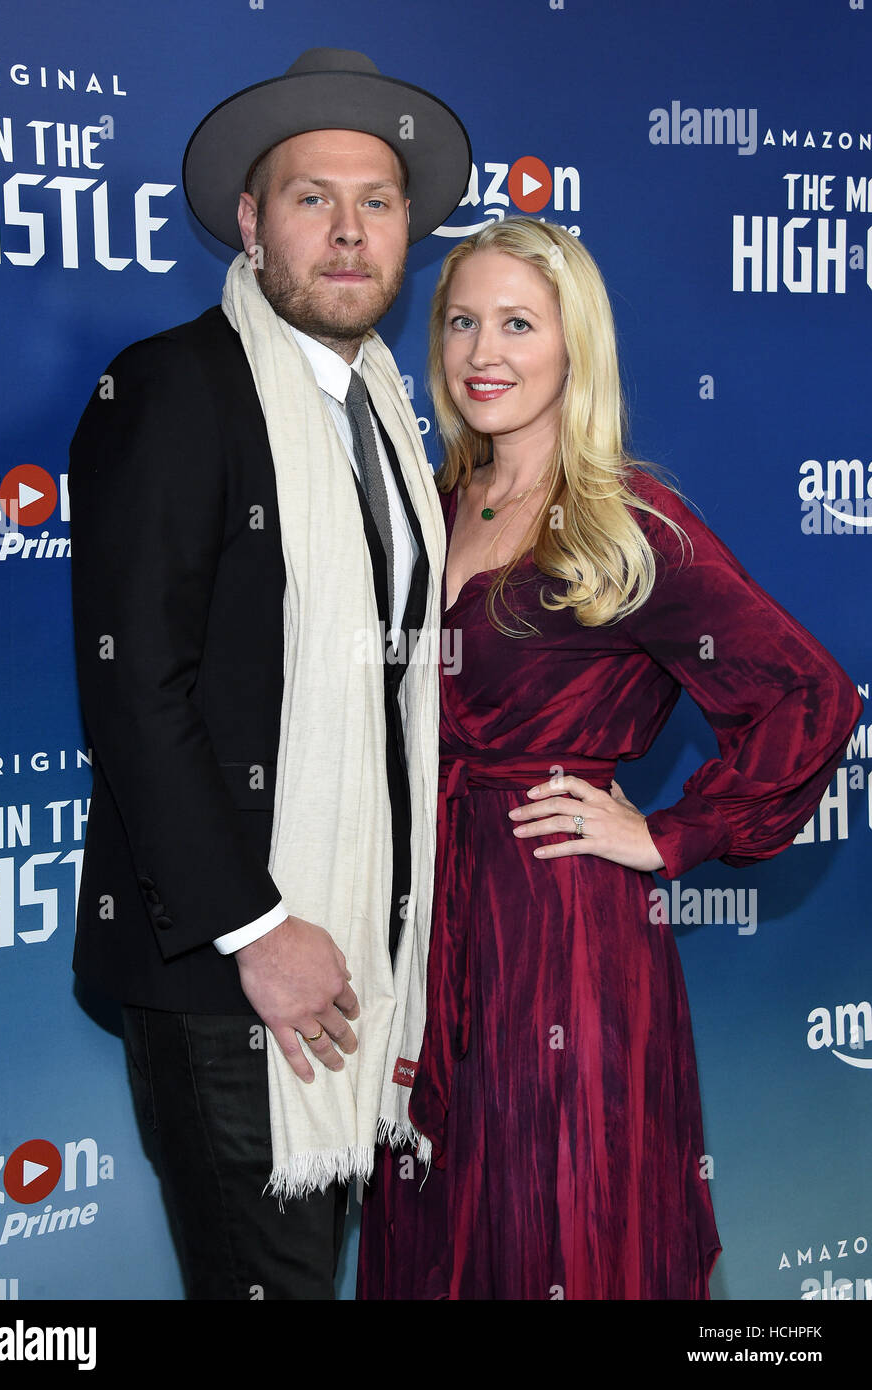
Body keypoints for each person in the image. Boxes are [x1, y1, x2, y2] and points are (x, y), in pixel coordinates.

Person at [356, 216, 862, 1300]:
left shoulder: (628, 522)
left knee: (558, 1222)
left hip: (561, 935)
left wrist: (671, 830)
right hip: (424, 935)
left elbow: (810, 694)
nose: (483, 351)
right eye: (460, 322)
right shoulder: (426, 508)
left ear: (574, 346)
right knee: (441, 1221)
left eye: (518, 323)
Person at [68, 48, 470, 1299]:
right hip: (231, 964)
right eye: (312, 198)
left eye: (379, 201)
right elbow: (134, 690)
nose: (349, 234)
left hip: (354, 950)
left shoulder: (390, 421)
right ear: (250, 222)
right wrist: (257, 926)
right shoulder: (174, 385)